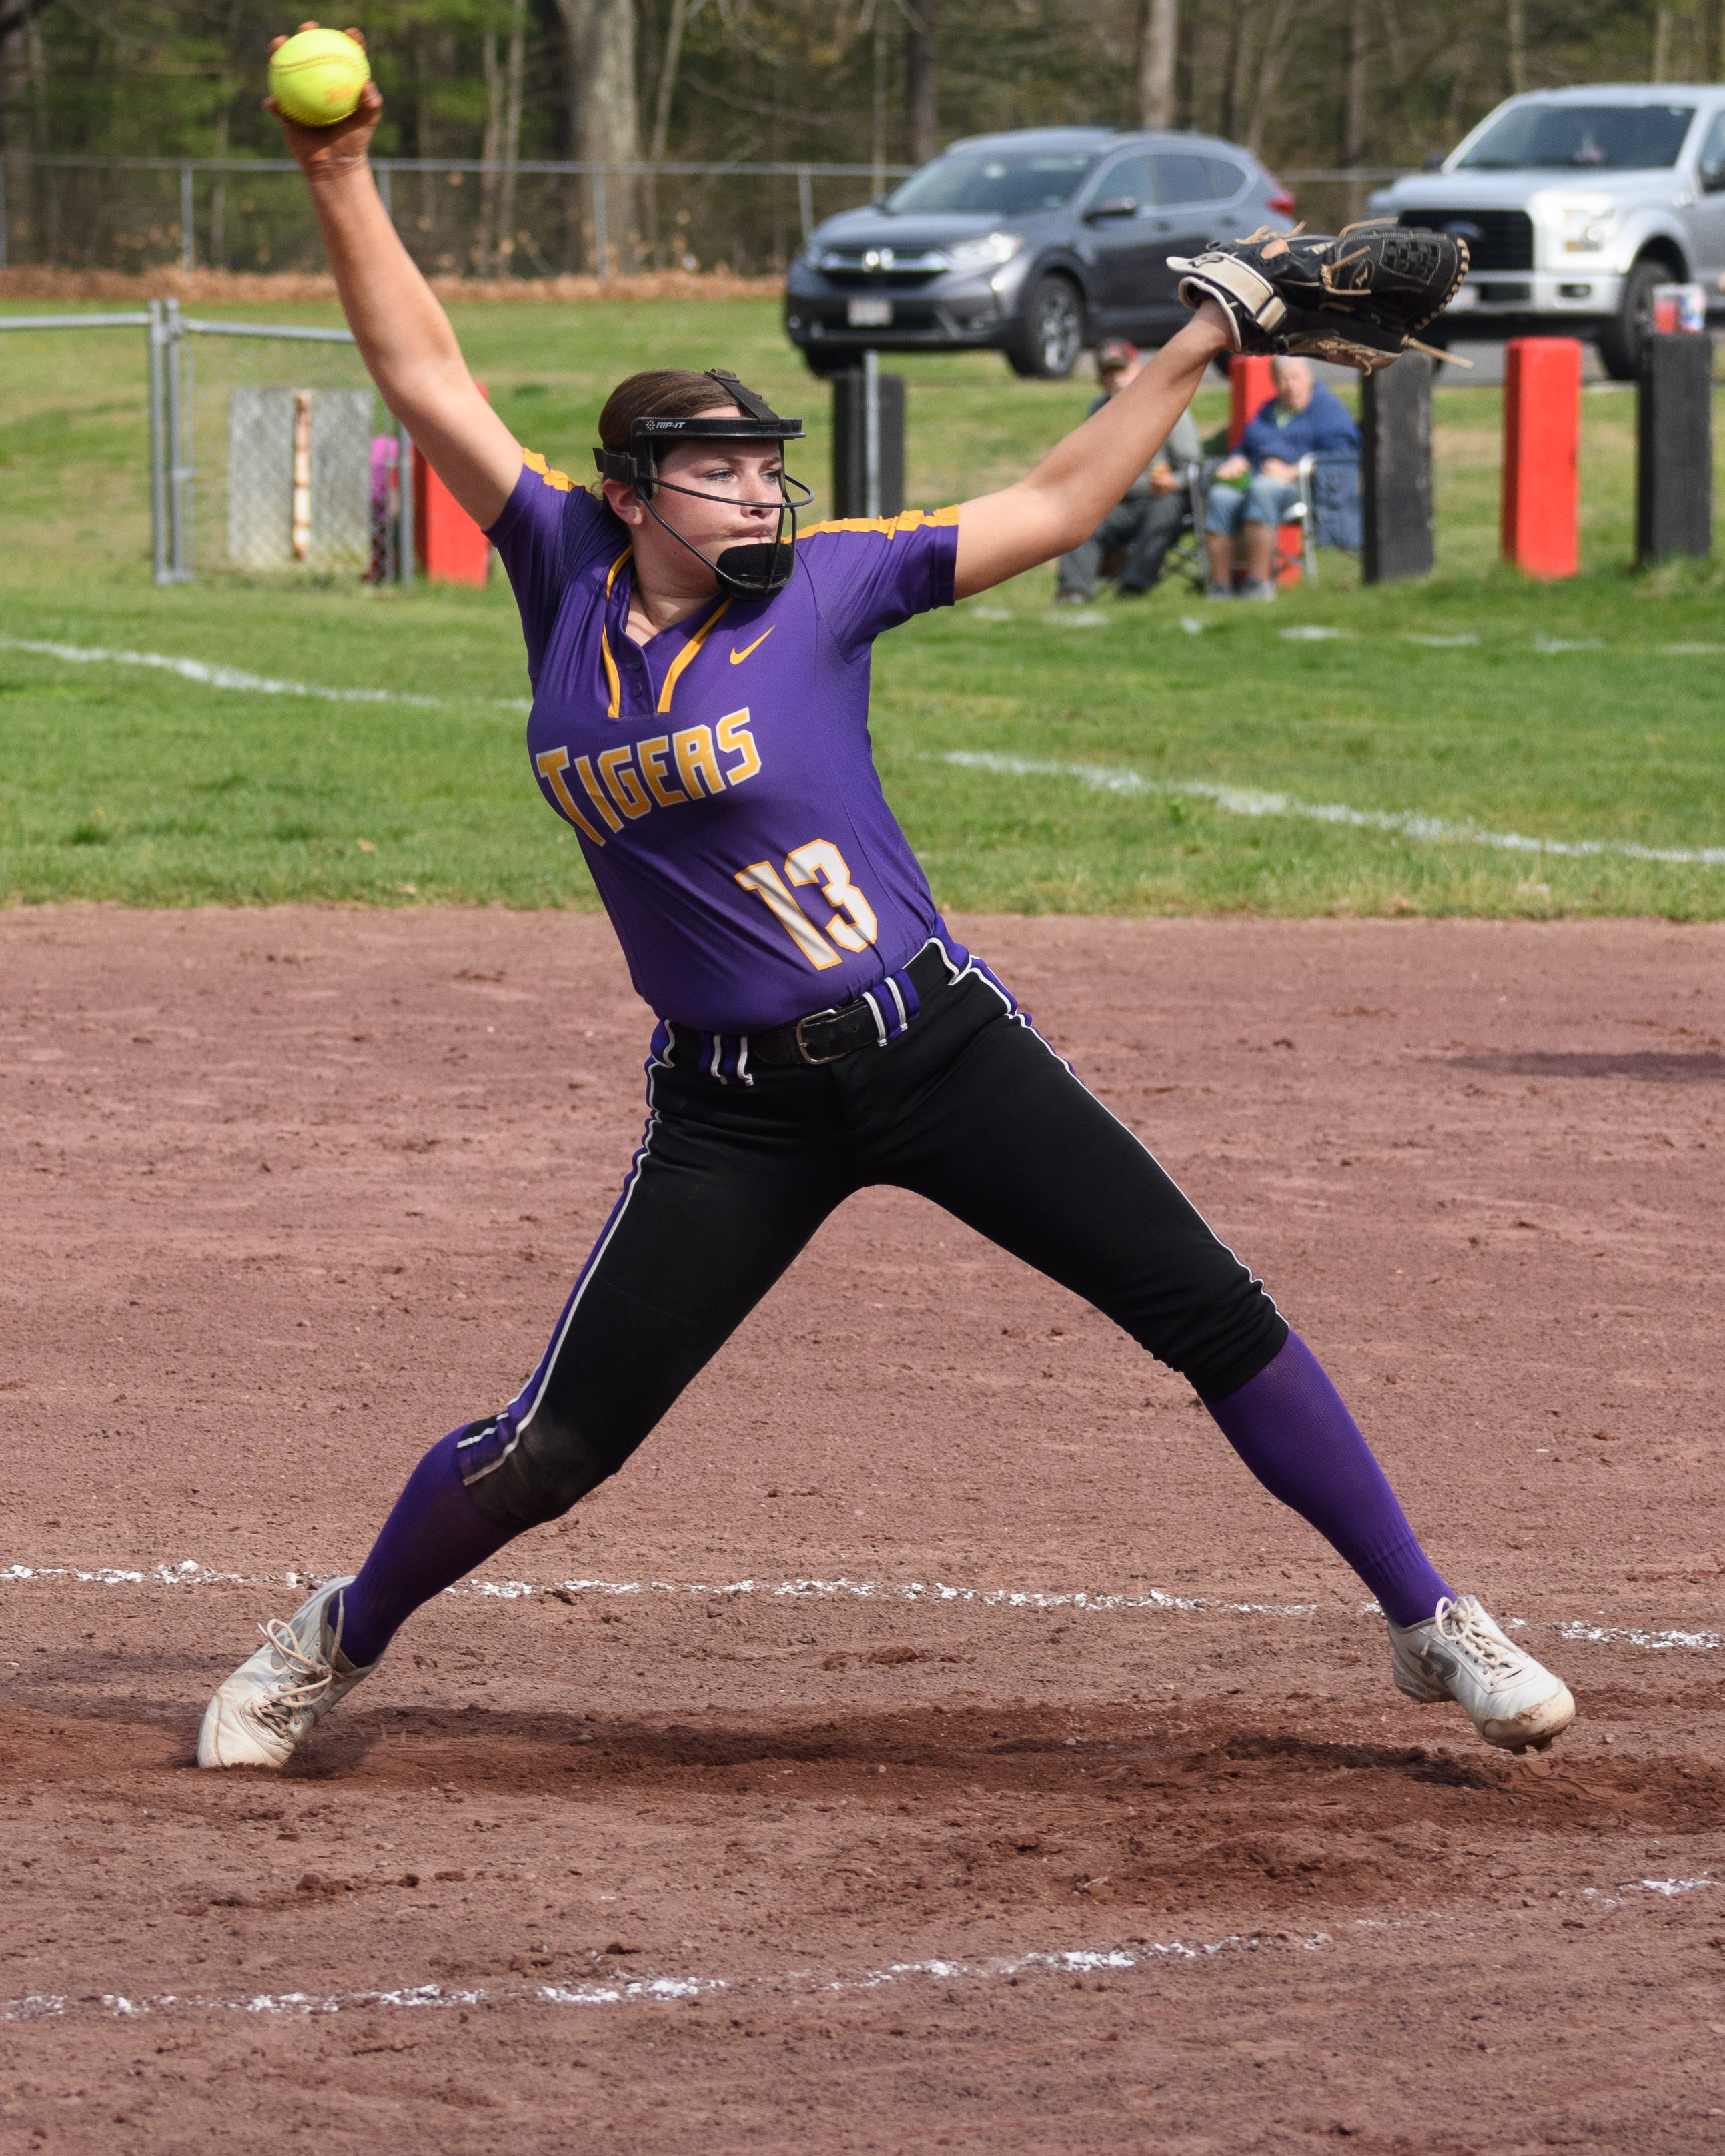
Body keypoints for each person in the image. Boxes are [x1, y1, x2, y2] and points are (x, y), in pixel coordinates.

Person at [199, 25, 1576, 1772]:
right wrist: (336, 171)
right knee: (559, 1445)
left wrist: (1201, 338)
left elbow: (1060, 496)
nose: (763, 487)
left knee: (1210, 1310)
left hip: (935, 1046)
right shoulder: (556, 566)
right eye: (720, 468)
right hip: (730, 1114)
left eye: (769, 462)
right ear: (632, 498)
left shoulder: (830, 591)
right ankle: (331, 1640)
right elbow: (426, 377)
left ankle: (1423, 1618)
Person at [1053, 339, 1201, 606]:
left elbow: (1193, 466)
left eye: (1121, 370)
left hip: (1160, 499)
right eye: (1109, 373)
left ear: (1138, 369)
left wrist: (1173, 481)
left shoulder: (1168, 406)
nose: (1117, 379)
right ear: (1100, 380)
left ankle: (1133, 587)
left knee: (1165, 508)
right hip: (1116, 502)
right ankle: (1074, 591)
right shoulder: (1097, 411)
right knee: (1078, 516)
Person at [1205, 354, 1358, 600]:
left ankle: (1258, 583)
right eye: (1283, 380)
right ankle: (1219, 587)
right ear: (1275, 382)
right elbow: (1246, 446)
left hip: (1303, 487)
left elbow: (1343, 455)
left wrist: (1291, 471)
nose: (1291, 386)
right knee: (1220, 496)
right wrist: (1237, 460)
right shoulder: (1268, 410)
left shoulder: (1328, 410)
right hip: (1256, 478)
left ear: (1309, 378)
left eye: (1296, 377)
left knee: (1264, 490)